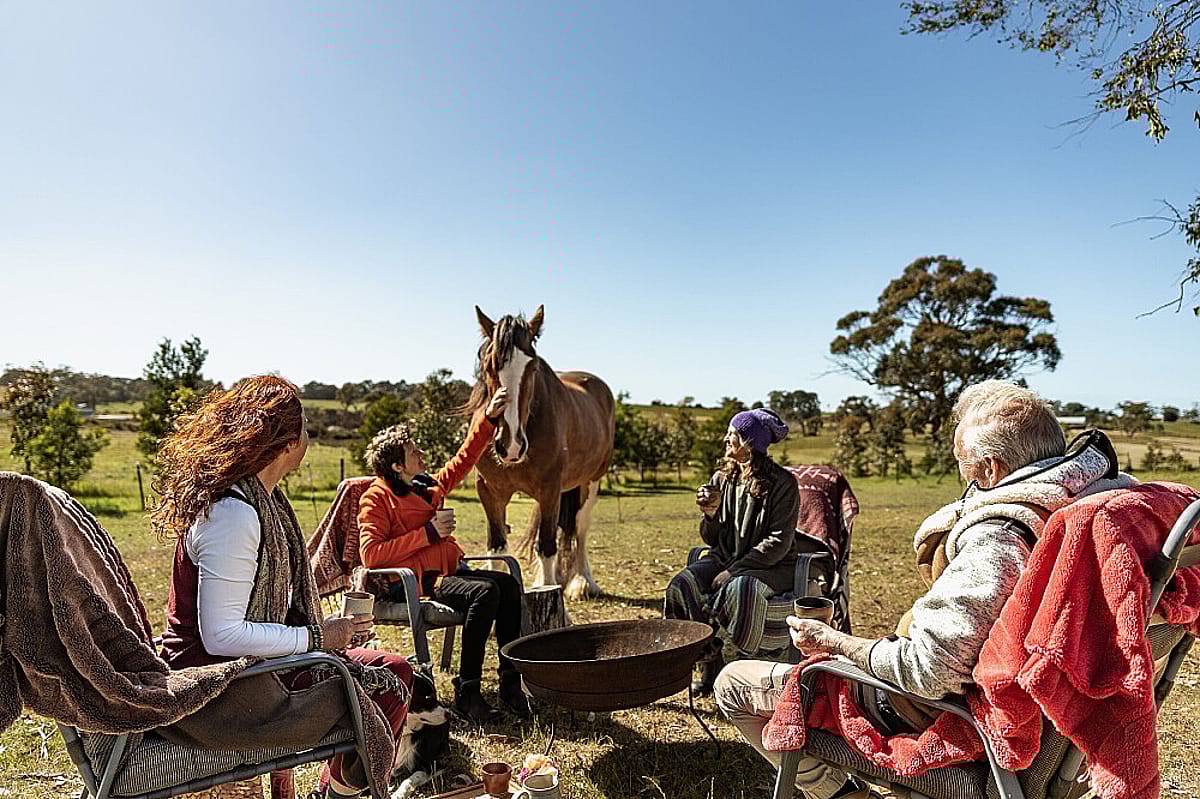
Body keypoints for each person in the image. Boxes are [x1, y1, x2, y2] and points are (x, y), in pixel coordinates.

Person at [714, 381, 1129, 799]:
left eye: (964, 468)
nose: (964, 483)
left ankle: (843, 795)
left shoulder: (1000, 538)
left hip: (935, 713)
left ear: (992, 469)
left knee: (732, 683)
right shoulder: (1094, 514)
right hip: (1052, 730)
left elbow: (928, 672)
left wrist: (835, 642)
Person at [156, 376, 413, 799]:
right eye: (306, 428)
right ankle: (337, 795)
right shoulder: (234, 515)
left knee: (382, 667)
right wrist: (316, 637)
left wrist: (320, 632)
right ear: (288, 441)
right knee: (391, 678)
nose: (309, 437)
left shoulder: (259, 501)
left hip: (246, 668)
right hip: (221, 688)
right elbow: (221, 635)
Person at [357, 386, 531, 724]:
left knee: (507, 585)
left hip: (450, 571)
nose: (421, 454)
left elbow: (464, 459)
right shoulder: (375, 499)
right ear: (396, 465)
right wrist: (429, 533)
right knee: (487, 592)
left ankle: (511, 685)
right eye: (413, 451)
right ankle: (468, 691)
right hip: (418, 582)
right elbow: (372, 556)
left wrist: (490, 418)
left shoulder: (426, 485)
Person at [664, 407, 801, 695]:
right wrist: (710, 515)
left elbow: (778, 541)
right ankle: (705, 659)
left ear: (750, 442)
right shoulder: (721, 480)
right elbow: (712, 539)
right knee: (682, 584)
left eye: (734, 434)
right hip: (725, 558)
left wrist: (734, 571)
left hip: (771, 567)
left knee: (741, 591)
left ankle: (739, 674)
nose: (726, 439)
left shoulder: (782, 484)